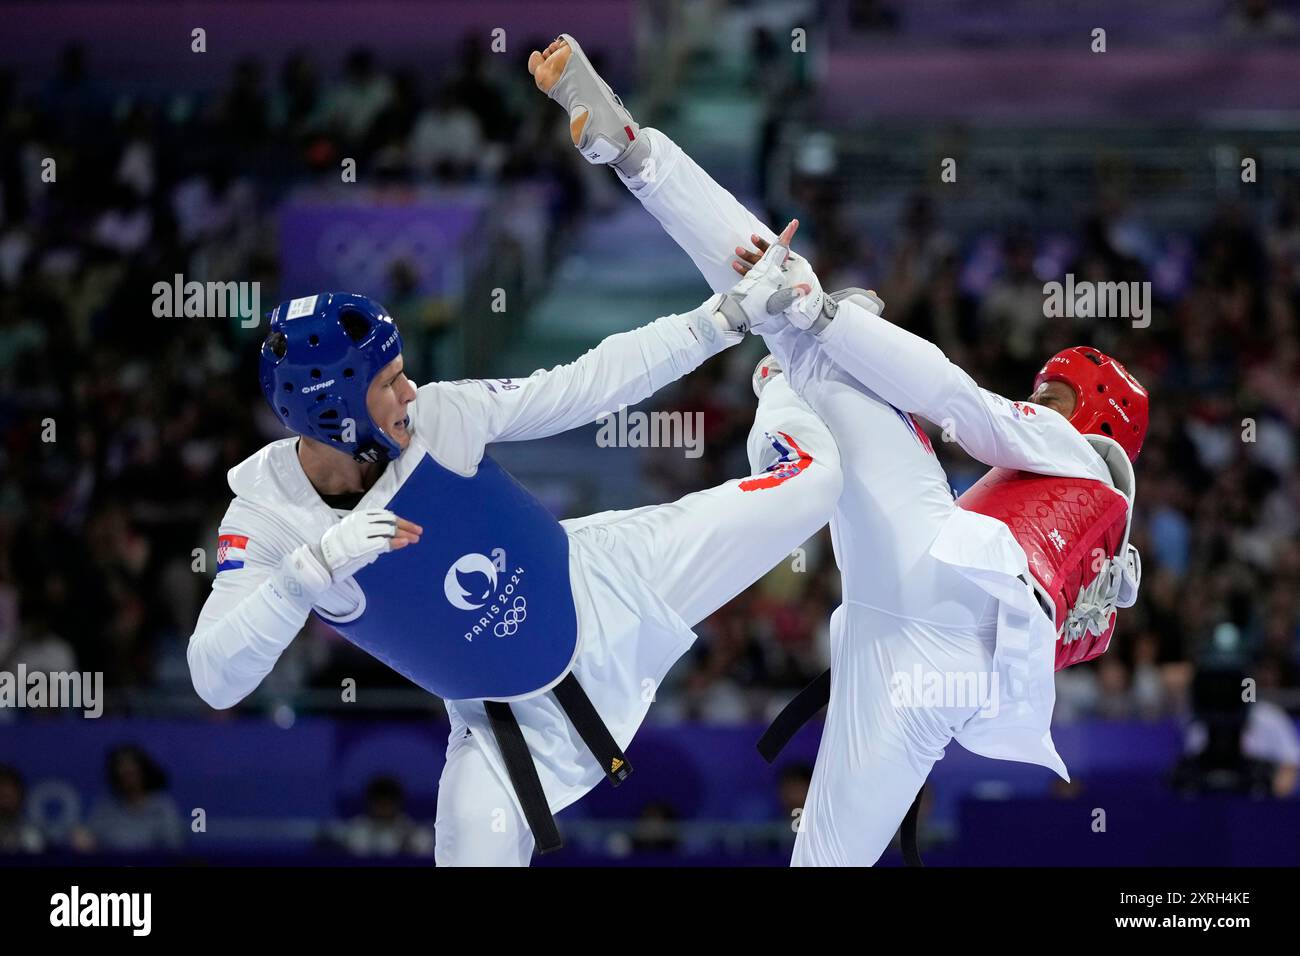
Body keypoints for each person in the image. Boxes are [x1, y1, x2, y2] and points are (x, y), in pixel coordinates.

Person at [531, 33, 1146, 865]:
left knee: (798, 312)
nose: (1039, 399)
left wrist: (831, 323)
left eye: (1057, 393)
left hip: (936, 586)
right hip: (922, 661)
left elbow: (960, 400)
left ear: (1100, 418)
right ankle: (781, 380)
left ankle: (637, 158)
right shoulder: (1096, 537)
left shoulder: (1084, 463)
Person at [188, 264, 843, 866]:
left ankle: (779, 386)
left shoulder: (439, 416)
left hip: (607, 582)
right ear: (334, 406)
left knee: (818, 484)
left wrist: (718, 320)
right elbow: (215, 679)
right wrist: (307, 575)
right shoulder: (265, 523)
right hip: (505, 727)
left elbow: (581, 387)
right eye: (389, 383)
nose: (410, 390)